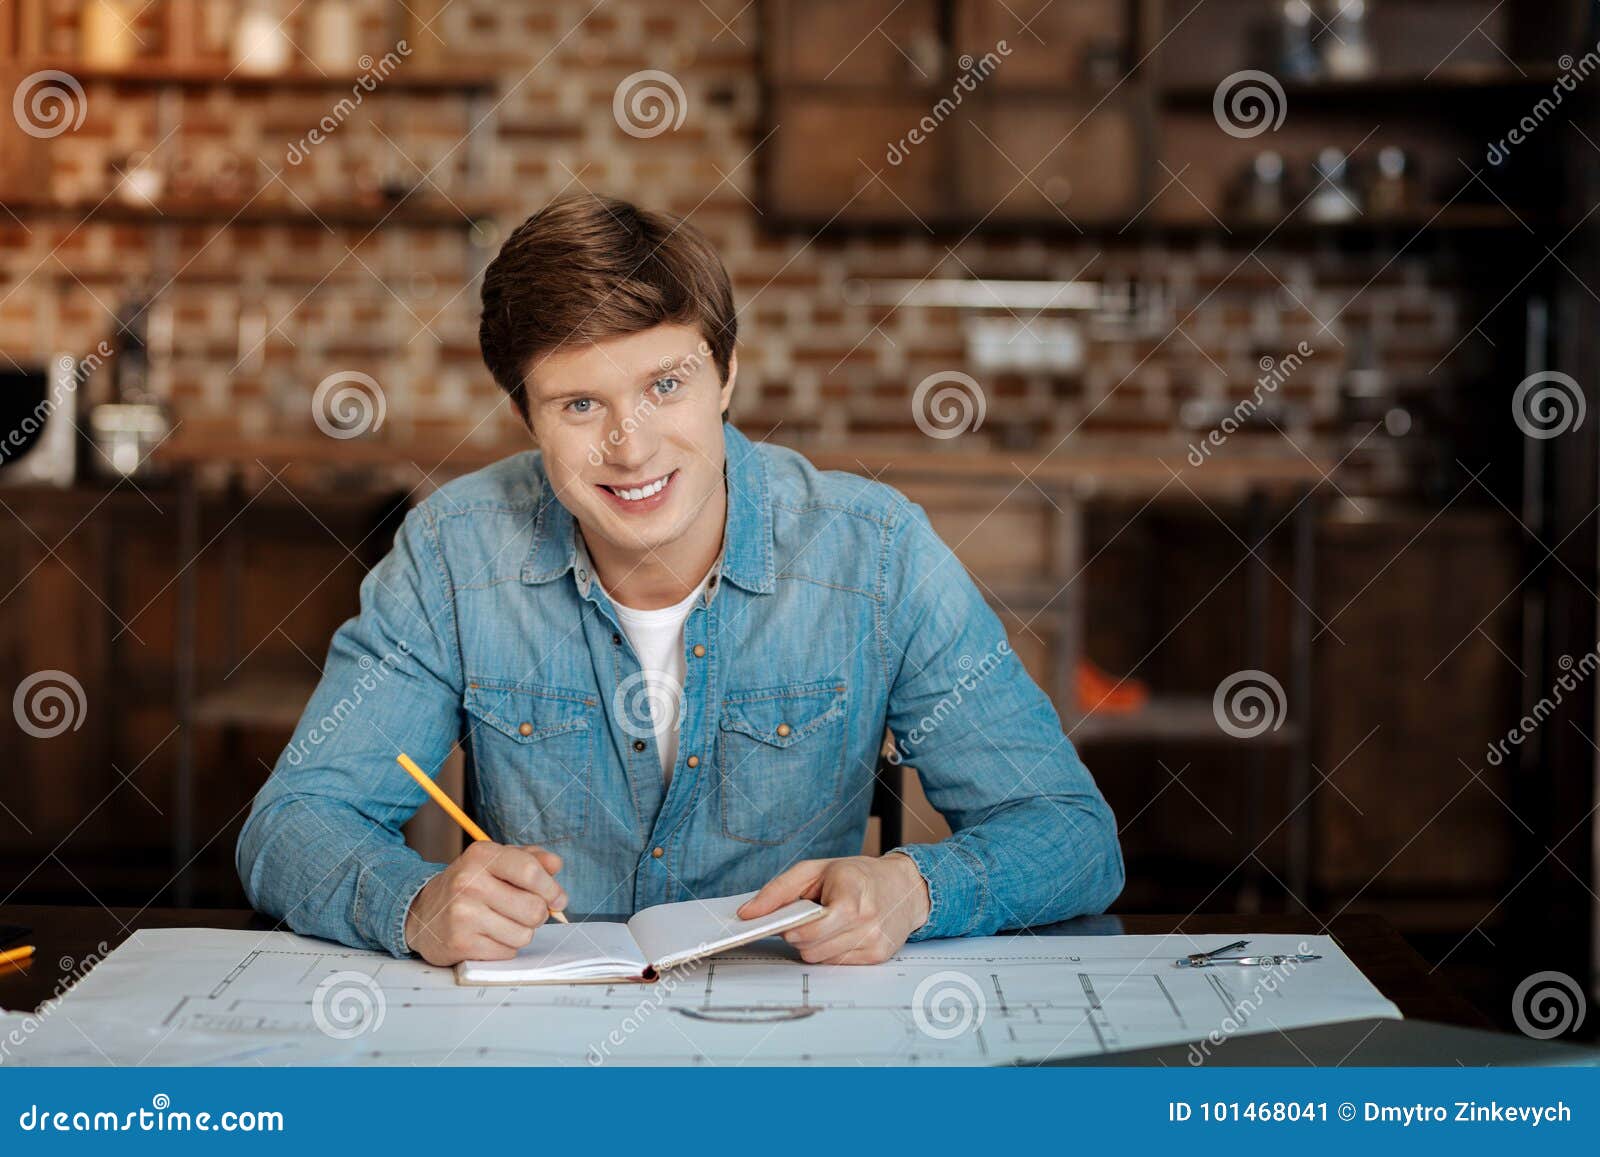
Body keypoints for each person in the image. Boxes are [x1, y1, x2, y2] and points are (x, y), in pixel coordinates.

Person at [236, 194, 1123, 967]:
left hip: (793, 1038)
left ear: (727, 373)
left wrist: (916, 888)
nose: (632, 445)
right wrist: (413, 904)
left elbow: (1071, 833)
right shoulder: (450, 555)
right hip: (545, 1050)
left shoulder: (877, 553)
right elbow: (293, 823)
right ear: (525, 416)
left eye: (666, 384)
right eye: (581, 404)